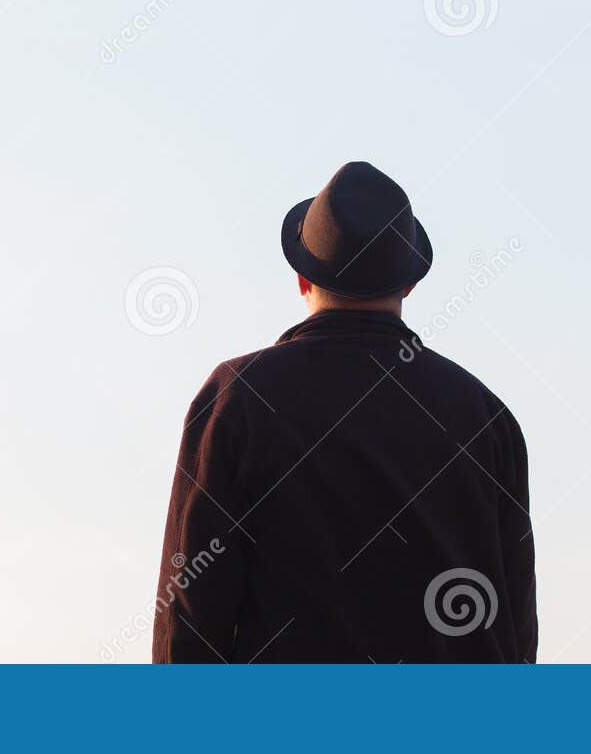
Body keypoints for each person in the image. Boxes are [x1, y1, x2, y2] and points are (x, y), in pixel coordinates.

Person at [152, 161, 536, 662]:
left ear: (301, 278)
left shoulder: (239, 398)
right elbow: (516, 626)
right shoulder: (487, 418)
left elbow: (190, 614)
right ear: (408, 285)